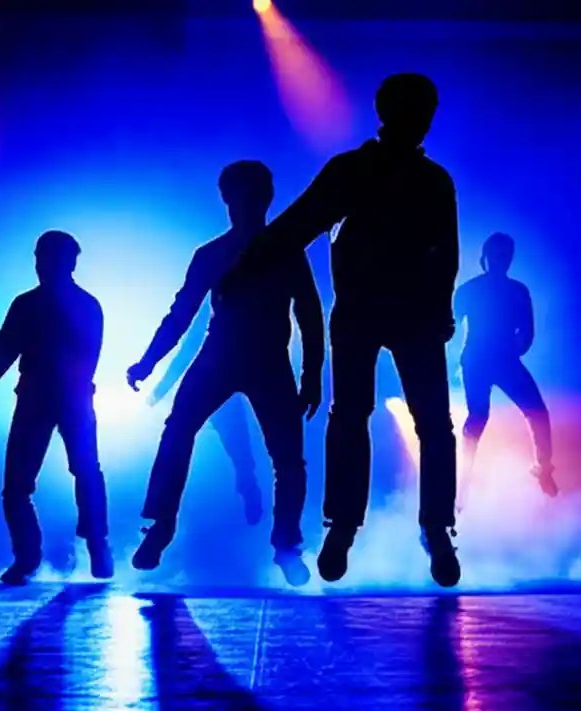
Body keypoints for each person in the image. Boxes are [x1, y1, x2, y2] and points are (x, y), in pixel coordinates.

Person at [235, 73, 461, 587]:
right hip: (396, 312)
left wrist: (246, 266)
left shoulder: (362, 171)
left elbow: (298, 226)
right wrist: (250, 263)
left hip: (373, 310)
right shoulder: (422, 179)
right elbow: (445, 253)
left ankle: (354, 529)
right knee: (421, 425)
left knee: (358, 418)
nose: (420, 118)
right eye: (418, 108)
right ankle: (425, 530)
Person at [126, 160, 323, 587]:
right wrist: (148, 360)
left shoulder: (244, 252)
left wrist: (313, 375)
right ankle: (280, 545)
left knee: (188, 434)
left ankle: (167, 528)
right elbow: (181, 315)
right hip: (243, 356)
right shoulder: (249, 252)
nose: (242, 203)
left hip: (241, 356)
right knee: (281, 458)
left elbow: (310, 313)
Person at [0, 231, 111, 585]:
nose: (40, 264)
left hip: (47, 399)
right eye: (39, 257)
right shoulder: (79, 305)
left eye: (45, 257)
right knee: (74, 474)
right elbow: (0, 357)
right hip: (63, 399)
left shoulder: (35, 305)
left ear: (68, 262)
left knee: (31, 484)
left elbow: (0, 358)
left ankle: (38, 556)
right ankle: (82, 547)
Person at [455, 232, 557, 504]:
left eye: (504, 256)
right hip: (481, 360)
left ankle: (543, 469)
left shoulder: (510, 291)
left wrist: (512, 351)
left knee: (531, 413)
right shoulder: (474, 290)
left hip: (496, 360)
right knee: (480, 417)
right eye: (496, 256)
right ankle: (463, 481)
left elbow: (527, 333)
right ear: (484, 259)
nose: (500, 261)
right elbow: (448, 326)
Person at [147, 301, 264, 526]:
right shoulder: (215, 301)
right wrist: (160, 390)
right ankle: (250, 495)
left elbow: (188, 349)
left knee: (234, 448)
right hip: (212, 381)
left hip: (214, 381)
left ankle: (164, 519)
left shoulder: (217, 300)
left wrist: (160, 390)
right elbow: (189, 348)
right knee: (237, 450)